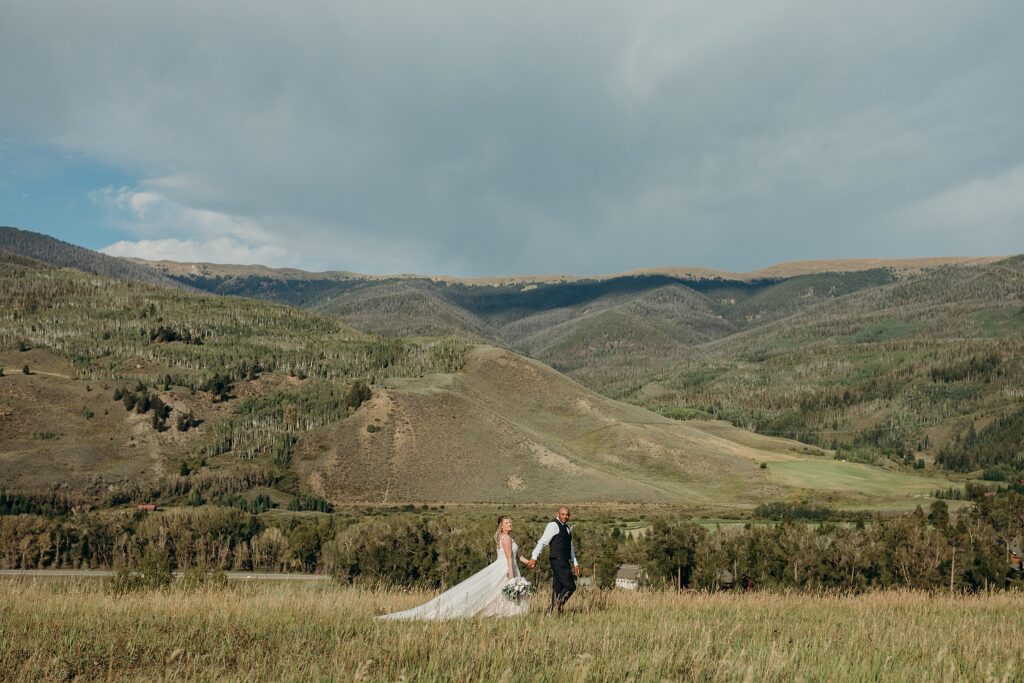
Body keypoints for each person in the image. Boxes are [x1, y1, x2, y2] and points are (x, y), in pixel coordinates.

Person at [377, 516, 531, 621]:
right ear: (501, 526)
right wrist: (511, 576)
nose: (510, 524)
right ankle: (507, 614)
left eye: (510, 522)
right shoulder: (506, 538)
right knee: (503, 591)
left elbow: (517, 556)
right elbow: (509, 557)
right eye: (507, 523)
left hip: (510, 567)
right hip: (505, 568)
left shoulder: (507, 538)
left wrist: (528, 562)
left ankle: (506, 614)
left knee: (500, 593)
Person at [527, 506, 580, 616]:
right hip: (557, 560)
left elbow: (570, 547)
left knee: (558, 587)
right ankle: (553, 608)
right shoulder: (553, 525)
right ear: (558, 514)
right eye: (563, 514)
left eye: (567, 515)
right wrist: (534, 557)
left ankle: (551, 614)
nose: (565, 516)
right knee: (570, 586)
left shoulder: (567, 527)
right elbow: (542, 541)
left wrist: (575, 563)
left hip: (565, 560)